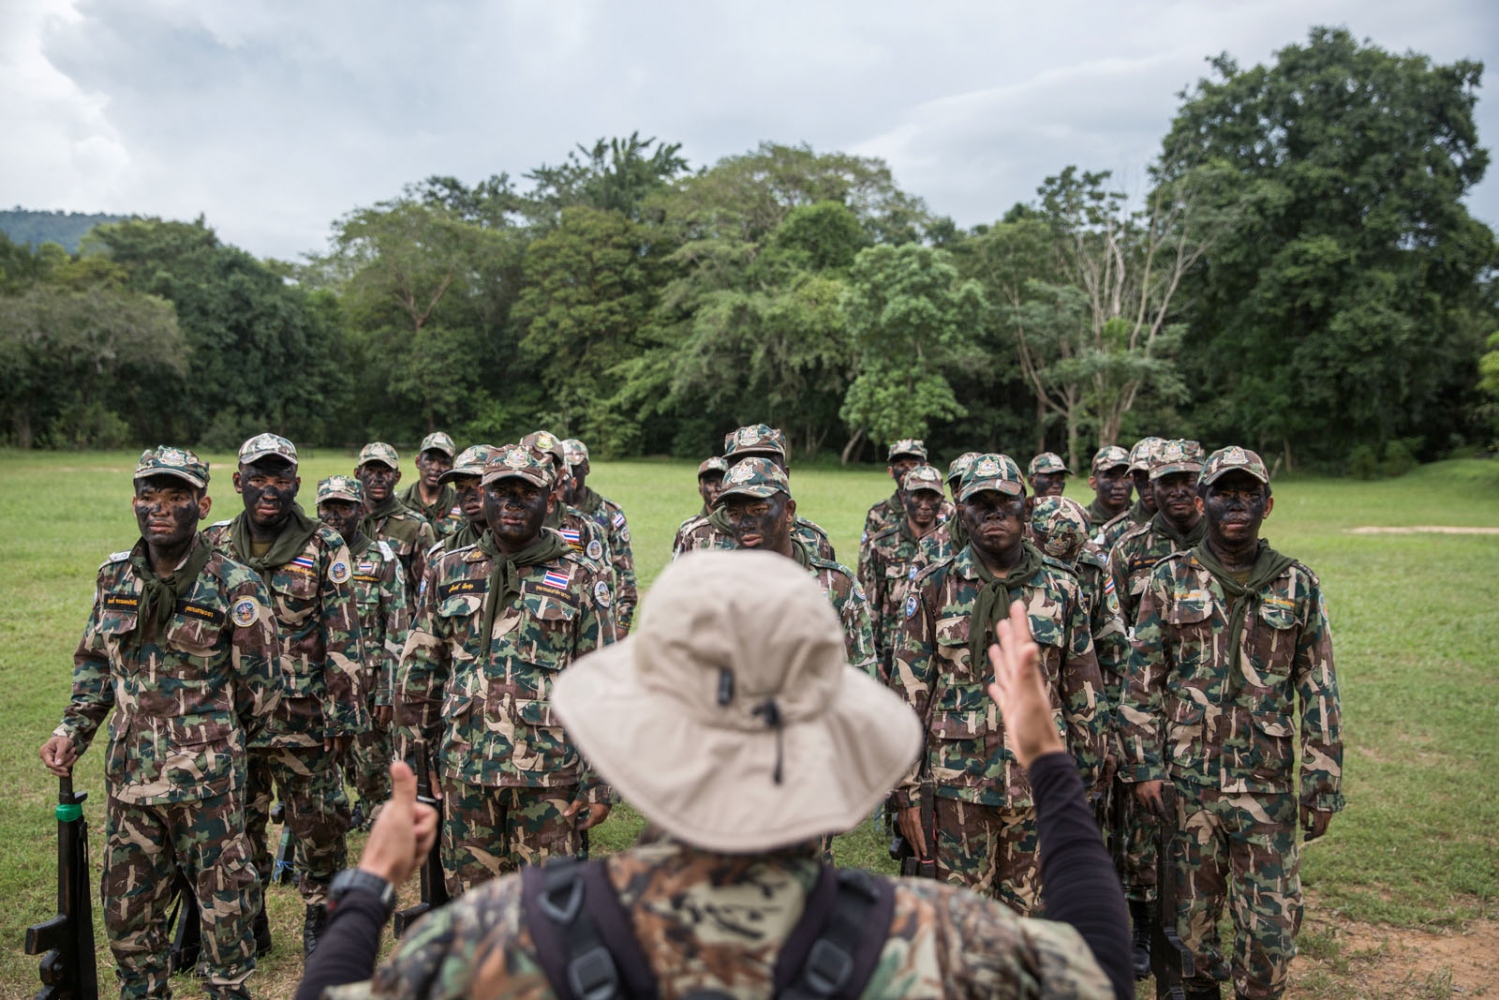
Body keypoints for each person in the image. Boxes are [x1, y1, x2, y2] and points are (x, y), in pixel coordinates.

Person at [296, 553, 1133, 1000]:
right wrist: (1046, 762)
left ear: (638, 736)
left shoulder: (491, 940)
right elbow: (1097, 967)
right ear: (829, 738)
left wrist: (370, 887)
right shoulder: (951, 946)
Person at [40, 447, 279, 1000]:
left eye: (176, 497)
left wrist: (210, 738)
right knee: (127, 909)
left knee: (225, 903)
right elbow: (96, 664)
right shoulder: (114, 578)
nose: (160, 508)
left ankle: (227, 989)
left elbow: (260, 687)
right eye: (149, 496)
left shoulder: (234, 583)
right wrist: (71, 730)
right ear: (134, 502)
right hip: (130, 779)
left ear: (203, 503)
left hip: (208, 783)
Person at [1118, 446, 1343, 1000]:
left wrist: (1321, 782)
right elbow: (1141, 681)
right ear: (1203, 501)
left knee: (1270, 932)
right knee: (1190, 932)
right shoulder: (1170, 579)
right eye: (1223, 492)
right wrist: (1145, 768)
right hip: (1187, 786)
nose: (1235, 503)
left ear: (1268, 505)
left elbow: (1319, 688)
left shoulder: (1297, 584)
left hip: (1265, 789)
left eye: (1248, 493)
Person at [891, 454, 1108, 915]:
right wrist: (908, 794)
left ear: (1025, 507)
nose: (993, 513)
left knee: (1030, 922)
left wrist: (1083, 787)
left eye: (1003, 502)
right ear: (961, 512)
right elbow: (908, 699)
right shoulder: (933, 588)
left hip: (1039, 788)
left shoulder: (1063, 589)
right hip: (957, 791)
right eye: (979, 504)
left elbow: (1084, 694)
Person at [394, 444, 615, 895]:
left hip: (549, 774)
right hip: (464, 766)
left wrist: (599, 781)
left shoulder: (581, 577)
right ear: (484, 496)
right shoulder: (448, 569)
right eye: (501, 493)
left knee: (550, 910)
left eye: (525, 494)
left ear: (549, 500)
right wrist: (417, 760)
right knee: (471, 907)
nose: (512, 504)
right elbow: (421, 671)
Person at [203, 433, 366, 955]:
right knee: (238, 824)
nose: (269, 489)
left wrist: (345, 719)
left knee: (320, 824)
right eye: (258, 477)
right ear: (238, 482)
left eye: (280, 478)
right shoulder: (212, 544)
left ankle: (321, 912)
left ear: (296, 483)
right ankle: (251, 919)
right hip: (234, 716)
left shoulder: (325, 545)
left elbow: (344, 636)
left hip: (306, 715)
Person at [1104, 438, 1208, 976]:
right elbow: (1111, 636)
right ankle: (1143, 928)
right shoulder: (1128, 548)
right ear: (1152, 488)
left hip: (1211, 722)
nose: (1178, 491)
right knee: (1141, 835)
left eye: (1189, 479)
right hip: (1146, 713)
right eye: (1166, 482)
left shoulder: (1232, 541)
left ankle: (1197, 925)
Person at [714, 456, 877, 678]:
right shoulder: (714, 587)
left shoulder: (838, 586)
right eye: (734, 514)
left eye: (758, 510)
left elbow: (864, 682)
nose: (745, 523)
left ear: (788, 511)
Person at [316, 475, 412, 829]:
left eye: (343, 507)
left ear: (359, 510)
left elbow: (398, 630)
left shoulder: (381, 558)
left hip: (368, 682)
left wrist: (388, 691)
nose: (335, 515)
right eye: (328, 507)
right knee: (324, 759)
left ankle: (376, 815)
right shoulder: (309, 555)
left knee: (372, 760)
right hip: (321, 681)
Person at [676, 424, 838, 560]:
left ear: (785, 474)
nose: (754, 469)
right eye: (742, 464)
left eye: (766, 462)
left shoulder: (813, 538)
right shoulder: (697, 537)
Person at [859, 464, 948, 684]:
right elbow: (872, 604)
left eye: (932, 497)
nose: (925, 504)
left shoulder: (953, 544)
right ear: (904, 496)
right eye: (918, 496)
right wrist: (875, 656)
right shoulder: (882, 544)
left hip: (943, 652)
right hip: (895, 653)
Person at [561, 438, 639, 633]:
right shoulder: (549, 512)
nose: (570, 472)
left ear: (586, 468)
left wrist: (623, 622)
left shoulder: (609, 512)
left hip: (600, 615)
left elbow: (625, 570)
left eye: (575, 466)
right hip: (558, 612)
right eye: (564, 467)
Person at [355, 443, 438, 598]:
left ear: (397, 477)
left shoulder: (415, 526)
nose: (378, 478)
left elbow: (428, 588)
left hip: (399, 618)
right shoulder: (348, 521)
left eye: (386, 471)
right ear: (358, 474)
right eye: (371, 471)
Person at [861, 440, 953, 558]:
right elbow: (866, 558)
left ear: (926, 467)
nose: (907, 470)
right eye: (901, 465)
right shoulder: (878, 513)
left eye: (913, 464)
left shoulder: (948, 509)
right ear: (891, 471)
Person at [425, 444, 495, 557]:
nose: (469, 496)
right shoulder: (445, 553)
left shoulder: (526, 544)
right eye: (461, 487)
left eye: (479, 484)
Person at [1099, 437, 1165, 551]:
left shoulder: (1200, 522)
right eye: (1140, 476)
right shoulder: (1115, 532)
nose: (1148, 485)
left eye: (1154, 476)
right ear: (1132, 478)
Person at [397, 432, 464, 539]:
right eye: (430, 460)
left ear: (451, 468)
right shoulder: (399, 502)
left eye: (444, 463)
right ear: (418, 462)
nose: (436, 468)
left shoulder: (462, 504)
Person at [669, 456, 727, 556]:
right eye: (710, 482)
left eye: (722, 481)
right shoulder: (687, 530)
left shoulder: (742, 526)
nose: (717, 488)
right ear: (700, 490)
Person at [1086, 445, 1133, 541]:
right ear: (1093, 482)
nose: (1119, 486)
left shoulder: (1145, 520)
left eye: (1126, 477)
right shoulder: (1081, 523)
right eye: (1110, 477)